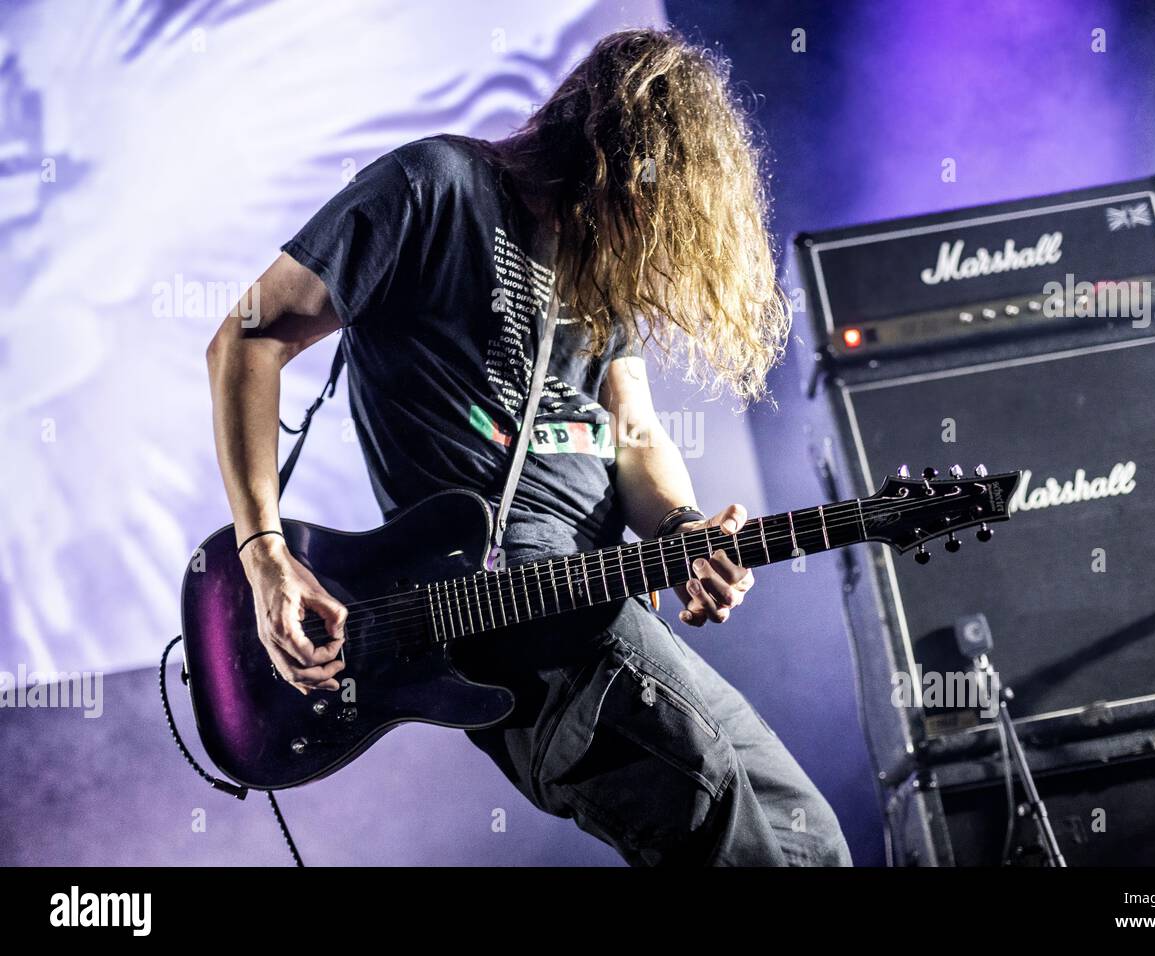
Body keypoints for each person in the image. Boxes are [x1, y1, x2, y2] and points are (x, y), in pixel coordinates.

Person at [205, 27, 851, 866]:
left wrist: (685, 531)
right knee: (733, 837)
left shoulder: (601, 265)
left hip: (594, 594)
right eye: (657, 196)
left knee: (810, 840)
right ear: (613, 155)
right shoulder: (435, 184)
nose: (660, 230)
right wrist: (264, 554)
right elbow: (246, 340)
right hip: (516, 620)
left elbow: (636, 430)